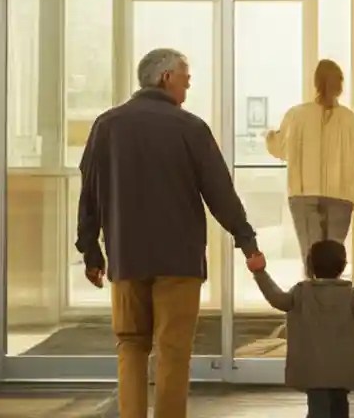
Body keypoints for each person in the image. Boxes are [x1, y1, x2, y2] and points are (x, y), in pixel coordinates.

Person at [77, 48, 262, 418]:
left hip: (127, 256)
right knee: (173, 349)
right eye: (185, 80)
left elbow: (90, 191)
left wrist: (91, 251)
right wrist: (246, 240)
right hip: (179, 260)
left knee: (131, 345)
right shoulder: (190, 128)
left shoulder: (107, 126)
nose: (187, 88)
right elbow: (219, 192)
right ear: (166, 78)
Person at [247, 240, 354, 418]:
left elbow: (277, 299)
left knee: (319, 410)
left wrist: (260, 273)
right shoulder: (349, 295)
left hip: (312, 370)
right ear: (343, 266)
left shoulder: (301, 292)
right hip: (341, 370)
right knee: (339, 408)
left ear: (310, 265)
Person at [267, 60, 354, 263]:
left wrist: (269, 136)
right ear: (340, 86)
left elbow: (279, 148)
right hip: (341, 194)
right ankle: (331, 283)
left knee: (311, 256)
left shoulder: (297, 115)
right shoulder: (348, 118)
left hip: (304, 193)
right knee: (333, 259)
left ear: (316, 83)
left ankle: (312, 284)